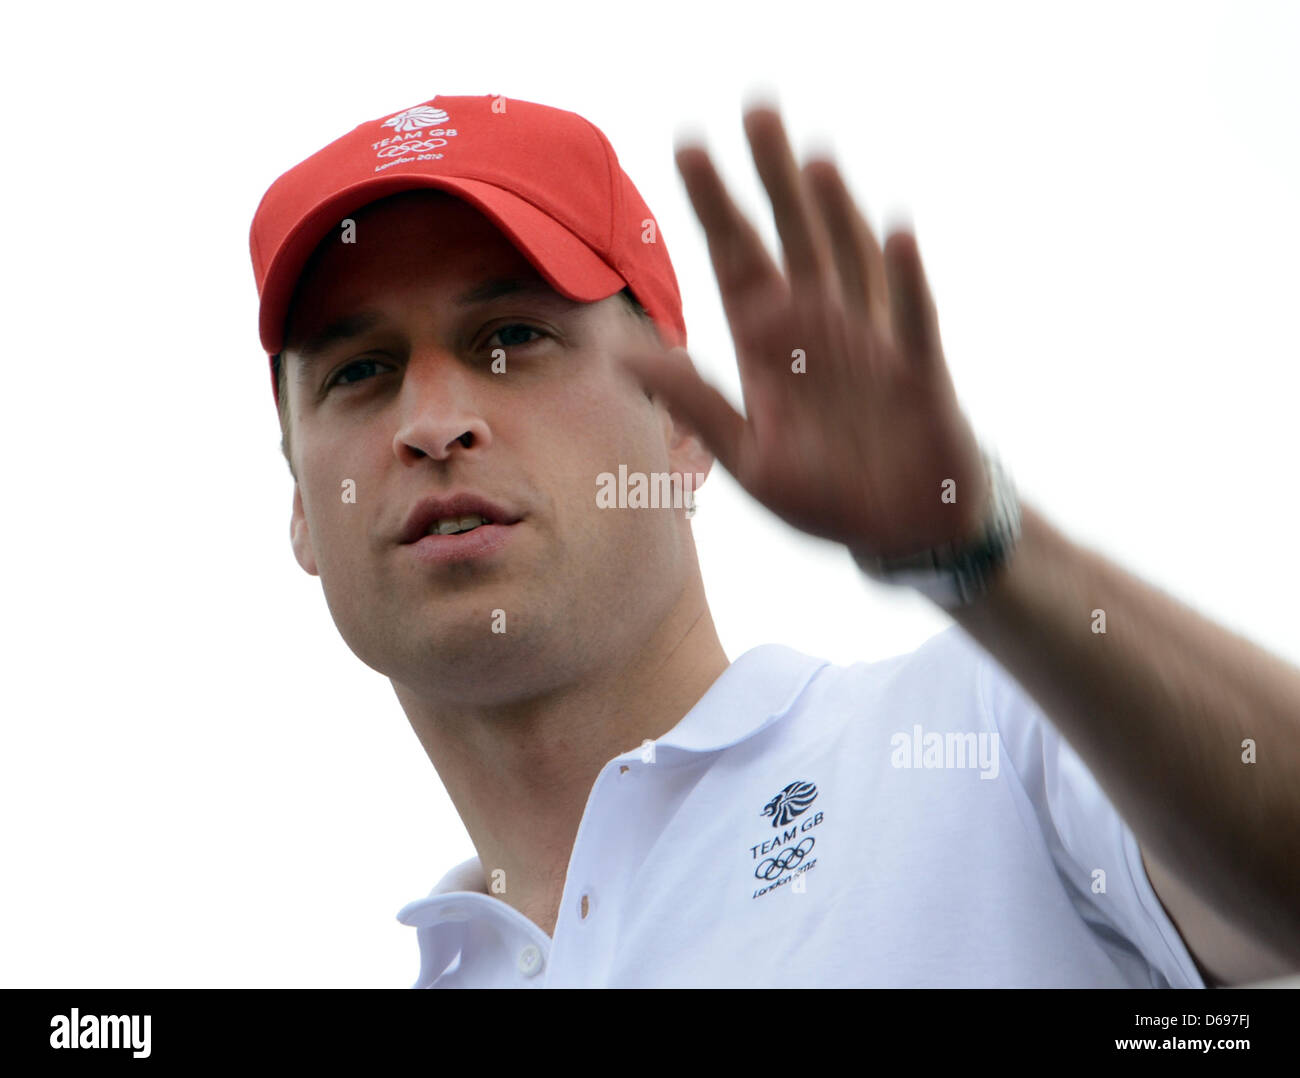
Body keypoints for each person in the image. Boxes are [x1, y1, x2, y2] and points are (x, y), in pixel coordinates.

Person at [248, 93, 1300, 988]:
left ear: (681, 423)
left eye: (513, 337)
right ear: (301, 505)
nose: (432, 422)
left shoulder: (982, 742)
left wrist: (980, 550)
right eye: (358, 371)